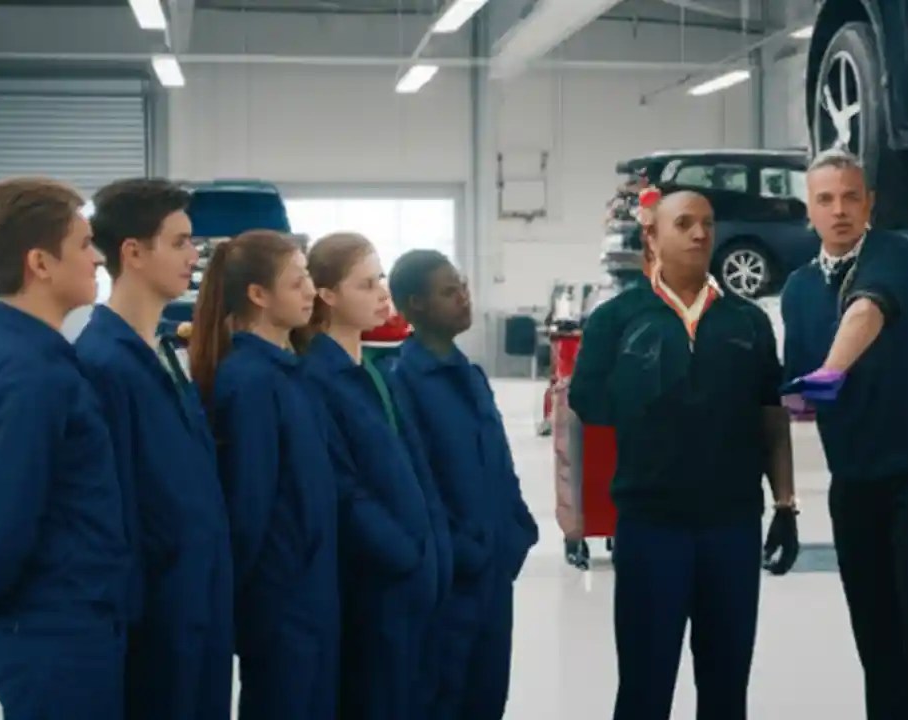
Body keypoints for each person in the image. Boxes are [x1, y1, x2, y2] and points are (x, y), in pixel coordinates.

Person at [568, 189, 799, 720]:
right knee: (645, 685)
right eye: (684, 224)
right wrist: (575, 520)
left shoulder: (747, 322)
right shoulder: (617, 320)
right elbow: (586, 403)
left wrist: (785, 503)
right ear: (651, 236)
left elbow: (771, 414)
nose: (700, 234)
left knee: (726, 683)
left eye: (708, 224)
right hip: (652, 526)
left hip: (732, 526)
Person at [780, 149, 908, 720]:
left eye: (850, 197)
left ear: (869, 203)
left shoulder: (898, 253)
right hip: (857, 478)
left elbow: (867, 311)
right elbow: (796, 393)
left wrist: (828, 375)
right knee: (876, 637)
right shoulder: (796, 290)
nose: (839, 210)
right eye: (825, 199)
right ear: (809, 210)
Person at [75, 179, 234, 720]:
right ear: (133, 253)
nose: (195, 255)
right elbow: (111, 513)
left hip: (200, 602)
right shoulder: (102, 364)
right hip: (158, 621)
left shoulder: (164, 350)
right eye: (181, 242)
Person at [0, 178, 130, 718]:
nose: (97, 259)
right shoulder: (30, 375)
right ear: (40, 263)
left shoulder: (29, 353)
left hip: (60, 622)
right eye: (85, 244)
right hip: (52, 634)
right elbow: (1, 522)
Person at [296, 233, 450, 719]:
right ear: (327, 296)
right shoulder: (316, 380)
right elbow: (344, 490)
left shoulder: (375, 371)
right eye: (366, 284)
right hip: (372, 586)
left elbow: (413, 470)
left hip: (413, 580)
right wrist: (404, 552)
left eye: (381, 278)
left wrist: (434, 548)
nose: (383, 292)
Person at [188, 230, 340, 720]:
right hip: (282, 601)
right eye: (297, 283)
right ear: (258, 295)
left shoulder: (289, 372)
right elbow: (249, 506)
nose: (311, 293)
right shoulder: (249, 382)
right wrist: (262, 599)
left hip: (310, 590)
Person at [387, 249, 539, 720]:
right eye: (448, 292)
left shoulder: (469, 375)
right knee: (441, 698)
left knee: (488, 696)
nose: (463, 299)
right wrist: (456, 550)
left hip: (494, 570)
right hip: (451, 580)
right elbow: (414, 483)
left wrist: (518, 530)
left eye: (463, 288)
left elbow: (500, 462)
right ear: (415, 305)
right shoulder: (402, 381)